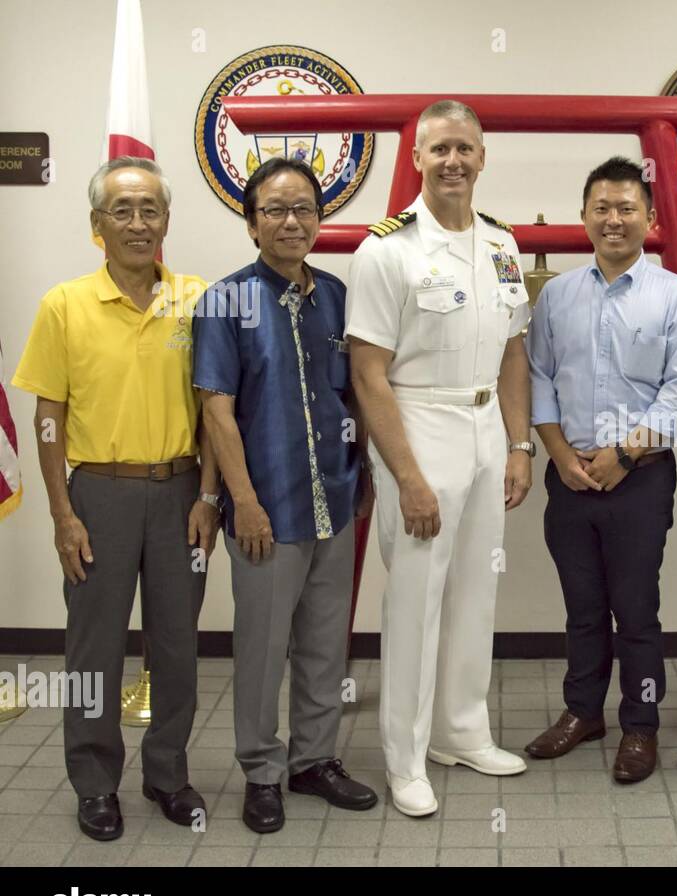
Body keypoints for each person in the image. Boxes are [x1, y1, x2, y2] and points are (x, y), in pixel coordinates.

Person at [11, 156, 218, 840]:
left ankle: (168, 775)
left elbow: (215, 406)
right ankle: (95, 783)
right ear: (97, 223)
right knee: (92, 649)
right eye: (121, 210)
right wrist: (61, 514)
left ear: (166, 220)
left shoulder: (197, 298)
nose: (137, 222)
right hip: (96, 495)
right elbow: (49, 415)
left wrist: (210, 496)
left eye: (149, 209)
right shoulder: (64, 304)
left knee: (178, 644)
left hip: (181, 490)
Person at [346, 100, 532, 818]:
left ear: (482, 158)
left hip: (487, 425)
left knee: (475, 591)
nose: (453, 160)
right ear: (418, 159)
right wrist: (409, 476)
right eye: (439, 150)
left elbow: (516, 351)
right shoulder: (386, 249)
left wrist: (517, 445)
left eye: (465, 148)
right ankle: (405, 756)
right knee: (417, 600)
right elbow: (368, 373)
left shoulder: (501, 244)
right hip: (418, 423)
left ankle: (462, 729)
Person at [193, 156, 379, 833]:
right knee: (263, 647)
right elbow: (217, 409)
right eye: (274, 209)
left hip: (336, 499)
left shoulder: (337, 295)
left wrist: (367, 475)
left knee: (327, 644)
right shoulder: (224, 301)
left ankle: (314, 760)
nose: (291, 220)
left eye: (303, 207)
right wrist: (239, 500)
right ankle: (262, 770)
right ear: (250, 223)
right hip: (265, 509)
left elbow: (356, 392)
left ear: (320, 219)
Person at [524, 157, 677, 783]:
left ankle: (641, 723)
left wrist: (624, 454)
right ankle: (583, 713)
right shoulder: (556, 295)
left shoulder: (675, 295)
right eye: (601, 207)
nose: (613, 219)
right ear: (583, 217)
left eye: (627, 208)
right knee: (581, 607)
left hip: (641, 477)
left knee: (636, 609)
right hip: (568, 474)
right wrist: (558, 455)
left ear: (650, 219)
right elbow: (538, 377)